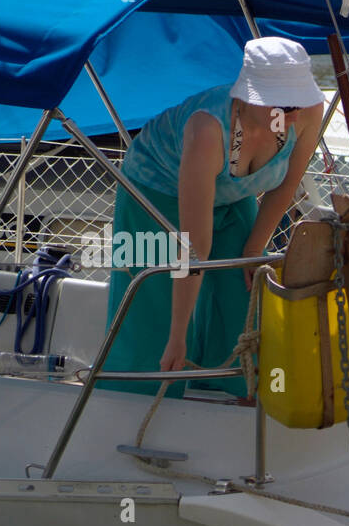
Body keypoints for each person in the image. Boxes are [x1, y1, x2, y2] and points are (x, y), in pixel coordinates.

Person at [101, 37, 325, 398]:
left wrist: (254, 246)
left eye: (298, 101)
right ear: (250, 97)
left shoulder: (309, 111)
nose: (295, 115)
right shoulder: (207, 130)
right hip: (156, 188)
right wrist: (177, 337)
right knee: (156, 296)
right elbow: (194, 250)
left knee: (245, 283)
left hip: (232, 195)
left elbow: (286, 186)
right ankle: (140, 390)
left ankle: (231, 385)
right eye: (284, 104)